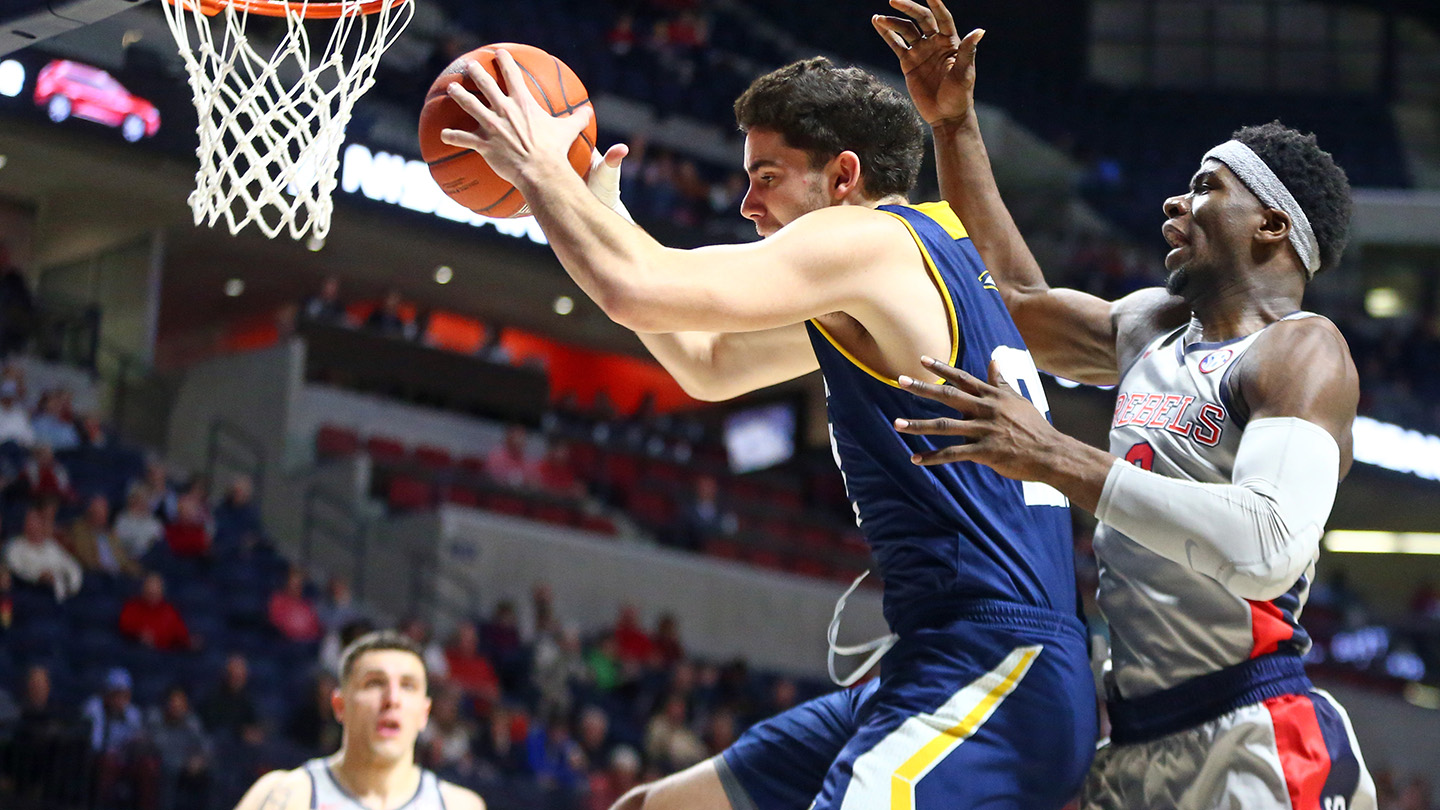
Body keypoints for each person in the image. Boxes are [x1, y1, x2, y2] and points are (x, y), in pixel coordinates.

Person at [442, 50, 1093, 810]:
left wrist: (536, 169)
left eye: (769, 177)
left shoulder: (868, 241)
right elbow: (708, 364)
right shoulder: (908, 262)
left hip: (996, 666)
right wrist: (602, 208)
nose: (748, 204)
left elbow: (637, 287)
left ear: (843, 178)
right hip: (947, 658)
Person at [871, 1, 1375, 807]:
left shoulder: (1302, 351)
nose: (1175, 204)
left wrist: (1051, 455)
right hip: (1133, 738)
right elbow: (1016, 301)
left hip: (1254, 732)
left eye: (1206, 188)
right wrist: (954, 125)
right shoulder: (1151, 325)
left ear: (1273, 224)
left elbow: (1268, 548)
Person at [231, 630, 486, 810]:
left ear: (423, 713)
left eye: (408, 686)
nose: (392, 698)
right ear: (339, 706)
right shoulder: (283, 796)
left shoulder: (460, 805)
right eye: (374, 683)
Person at [4, 505, 83, 601]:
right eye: (31, 522)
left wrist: (72, 587)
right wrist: (39, 576)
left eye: (38, 522)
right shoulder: (14, 547)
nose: (35, 525)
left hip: (60, 595)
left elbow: (72, 566)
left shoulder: (51, 546)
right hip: (32, 593)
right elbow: (16, 570)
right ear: (25, 525)